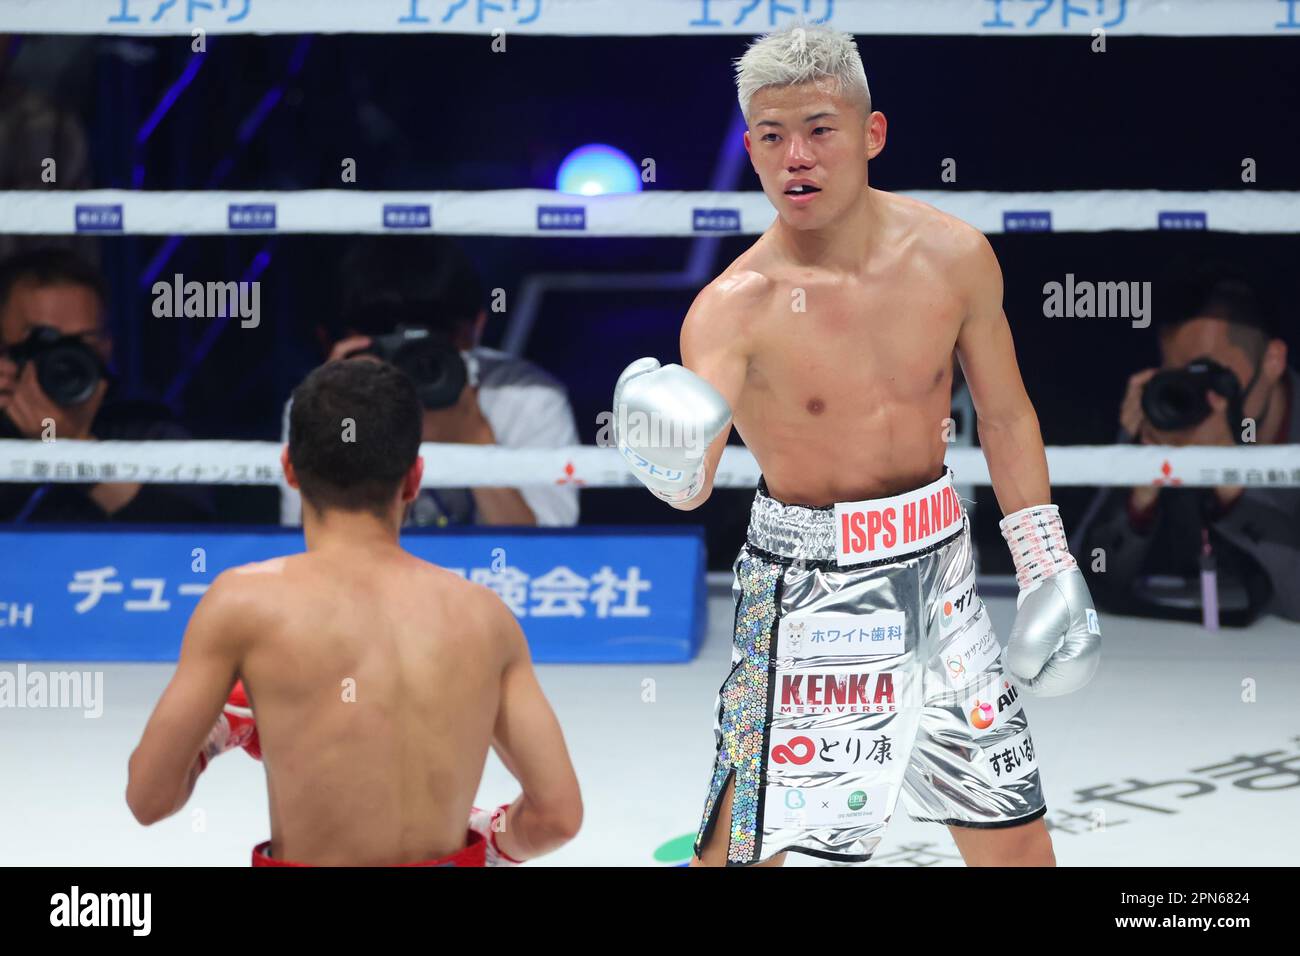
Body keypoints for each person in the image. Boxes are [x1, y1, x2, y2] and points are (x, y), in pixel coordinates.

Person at [613, 23, 1099, 867]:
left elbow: (1009, 415)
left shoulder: (953, 257)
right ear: (751, 150)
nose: (795, 156)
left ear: (871, 134)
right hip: (808, 594)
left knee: (1018, 845)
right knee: (750, 855)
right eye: (772, 137)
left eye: (818, 130)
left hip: (943, 572)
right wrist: (662, 455)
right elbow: (690, 482)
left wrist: (1046, 564)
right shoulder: (734, 309)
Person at [127, 360, 582, 866]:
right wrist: (486, 836)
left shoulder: (242, 604)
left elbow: (148, 798)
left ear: (290, 471)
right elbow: (557, 816)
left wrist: (214, 735)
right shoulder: (484, 615)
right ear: (414, 479)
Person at [279, 236, 579, 529]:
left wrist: (474, 440)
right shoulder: (321, 405)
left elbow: (543, 558)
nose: (408, 363)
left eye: (430, 345)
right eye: (388, 340)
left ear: (475, 328)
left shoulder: (528, 396)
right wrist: (341, 420)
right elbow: (313, 550)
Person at [1074, 263, 1298, 624]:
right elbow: (1086, 583)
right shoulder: (1170, 411)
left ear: (1273, 361)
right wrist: (1139, 488)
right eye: (1181, 376)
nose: (1199, 396)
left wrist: (1230, 482)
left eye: (1214, 375)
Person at [0, 247, 213, 523]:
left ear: (107, 347)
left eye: (83, 342)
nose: (64, 360)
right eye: (44, 341)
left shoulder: (145, 431)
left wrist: (72, 450)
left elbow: (190, 539)